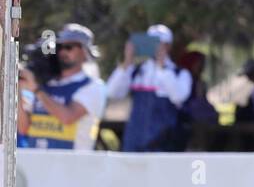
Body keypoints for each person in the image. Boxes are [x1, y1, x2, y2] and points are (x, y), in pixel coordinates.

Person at [16, 23, 107, 151]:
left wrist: (37, 90)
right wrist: (16, 90)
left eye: (68, 47)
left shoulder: (93, 87)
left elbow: (67, 117)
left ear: (84, 51)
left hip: (71, 166)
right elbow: (23, 128)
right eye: (60, 47)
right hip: (36, 164)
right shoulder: (45, 85)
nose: (62, 51)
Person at [104, 23, 193, 152]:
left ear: (168, 46)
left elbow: (178, 96)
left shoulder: (179, 74)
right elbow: (112, 92)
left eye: (158, 43)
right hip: (133, 144)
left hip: (163, 145)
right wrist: (127, 62)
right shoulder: (136, 71)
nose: (154, 47)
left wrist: (162, 67)